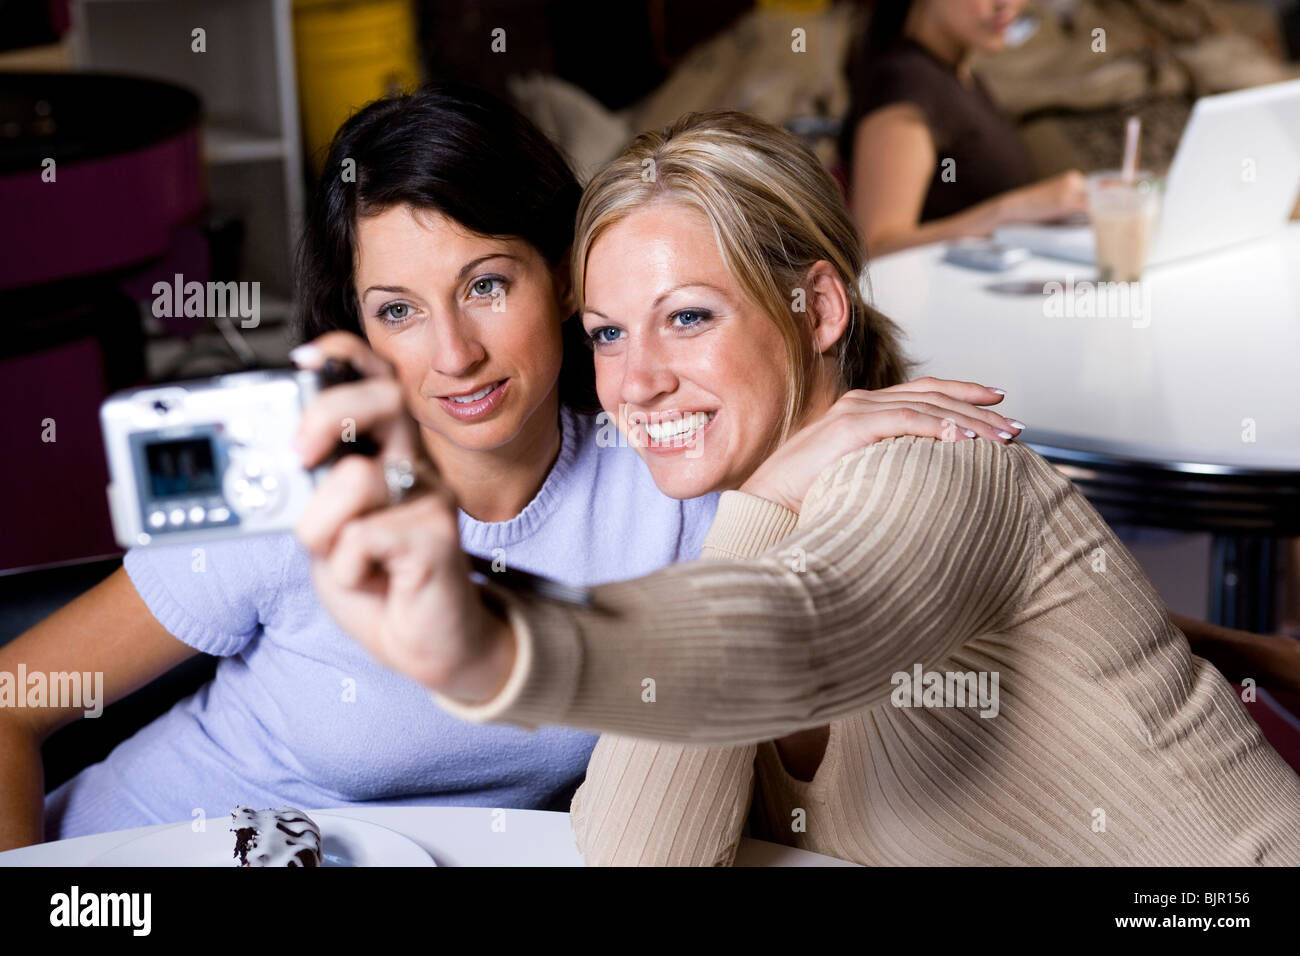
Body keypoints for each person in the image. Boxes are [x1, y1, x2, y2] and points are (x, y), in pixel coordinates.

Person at [0, 84, 1013, 851]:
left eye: (486, 283)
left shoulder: (664, 472)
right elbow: (11, 701)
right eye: (397, 308)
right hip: (137, 862)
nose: (453, 353)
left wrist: (804, 470)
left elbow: (791, 735)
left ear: (567, 281)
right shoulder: (305, 483)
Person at [300, 109, 1300, 865]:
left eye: (687, 317)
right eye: (607, 331)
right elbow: (639, 857)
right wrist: (762, 499)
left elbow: (802, 626)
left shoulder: (929, 467)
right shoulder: (724, 513)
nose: (635, 379)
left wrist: (493, 642)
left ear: (818, 306)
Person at [843, 0, 1088, 255]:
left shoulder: (960, 75)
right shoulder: (905, 83)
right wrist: (1010, 211)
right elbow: (876, 246)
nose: (1006, 4)